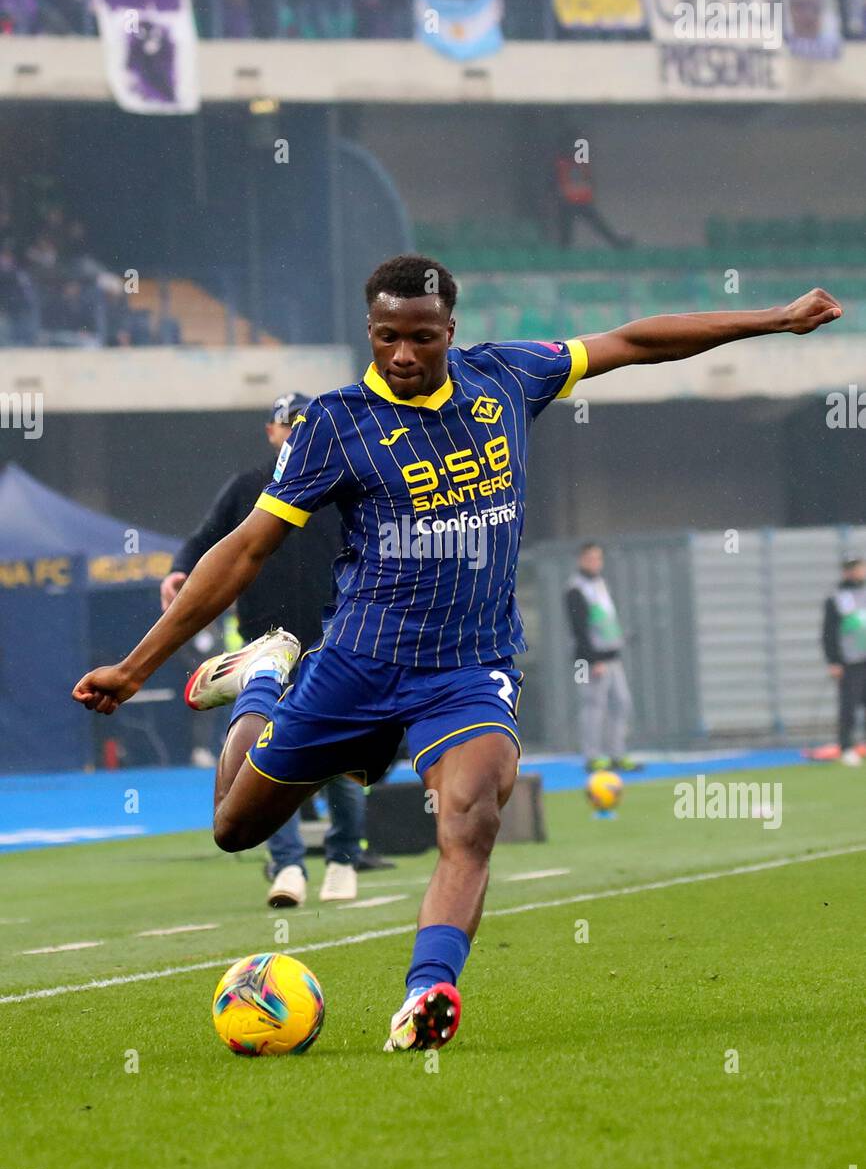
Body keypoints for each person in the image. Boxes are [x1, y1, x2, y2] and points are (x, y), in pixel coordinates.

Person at [73, 258, 842, 1053]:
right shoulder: (334, 425)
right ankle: (265, 678)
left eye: (420, 338)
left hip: (467, 668)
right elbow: (241, 553)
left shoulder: (508, 377)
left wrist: (771, 321)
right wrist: (137, 669)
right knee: (234, 829)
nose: (401, 354)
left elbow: (631, 341)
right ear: (368, 332)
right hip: (357, 665)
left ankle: (426, 993)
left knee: (471, 817)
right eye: (384, 338)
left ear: (451, 331)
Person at [160, 393, 390, 907]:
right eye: (283, 425)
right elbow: (208, 539)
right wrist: (180, 567)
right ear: (269, 431)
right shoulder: (247, 487)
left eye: (300, 424)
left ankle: (342, 859)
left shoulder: (341, 482)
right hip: (263, 645)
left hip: (336, 638)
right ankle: (287, 865)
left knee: (337, 754)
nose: (290, 432)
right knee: (260, 755)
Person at [565, 541, 641, 774]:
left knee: (621, 703)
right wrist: (592, 659)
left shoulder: (600, 584)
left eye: (598, 558)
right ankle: (593, 756)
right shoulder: (575, 589)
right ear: (581, 560)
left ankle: (617, 753)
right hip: (589, 659)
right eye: (590, 558)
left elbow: (604, 621)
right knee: (592, 707)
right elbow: (578, 628)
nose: (595, 562)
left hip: (611, 656)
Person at [822, 554, 866, 766]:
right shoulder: (837, 598)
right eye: (854, 568)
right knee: (849, 705)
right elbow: (828, 632)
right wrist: (833, 661)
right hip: (850, 660)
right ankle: (846, 747)